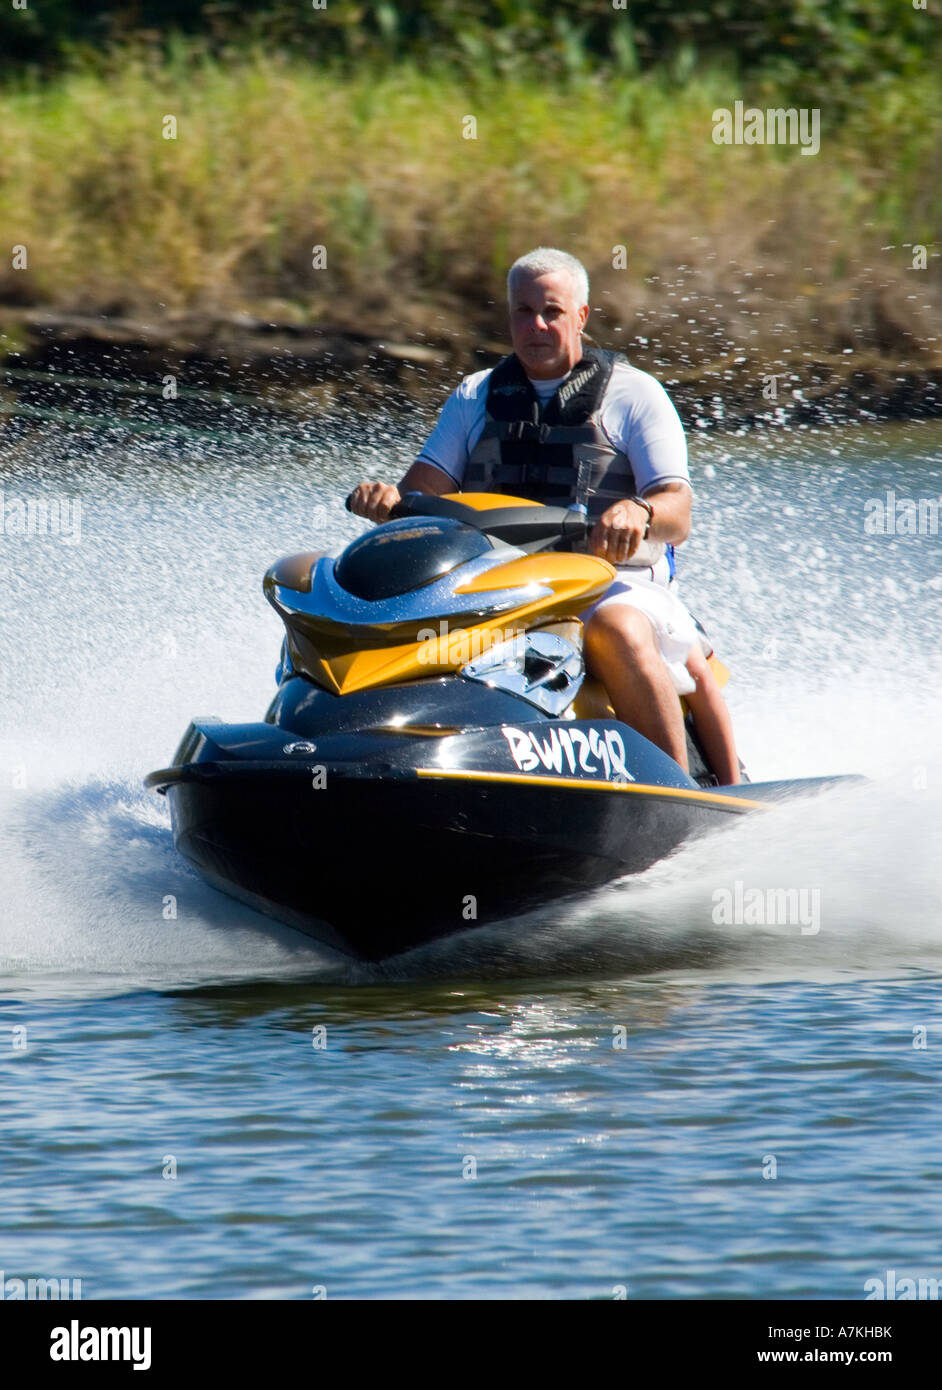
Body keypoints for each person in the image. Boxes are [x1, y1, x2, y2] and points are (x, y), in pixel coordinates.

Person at [347, 246, 741, 785]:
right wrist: (385, 503)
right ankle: (364, 751)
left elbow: (679, 511)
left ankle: (675, 793)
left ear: (580, 316)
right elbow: (419, 497)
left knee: (617, 629)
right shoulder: (476, 395)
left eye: (552, 311)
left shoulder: (635, 395)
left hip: (610, 582)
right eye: (522, 311)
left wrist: (638, 511)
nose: (536, 325)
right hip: (492, 581)